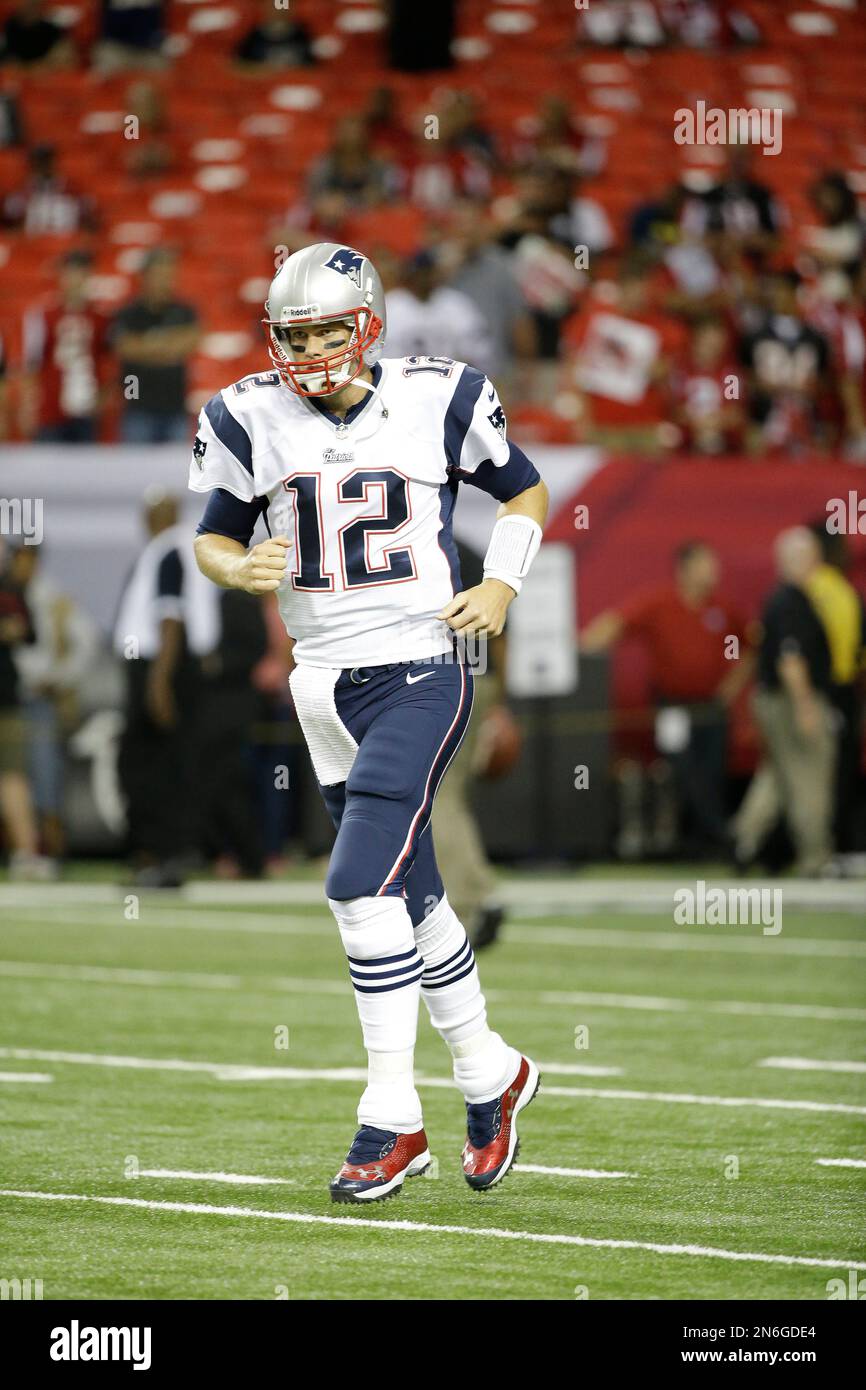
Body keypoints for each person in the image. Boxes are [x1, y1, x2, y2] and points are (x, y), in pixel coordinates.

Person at [190, 241, 548, 1203]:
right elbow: (214, 534)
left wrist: (504, 581)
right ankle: (491, 1073)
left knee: (355, 883)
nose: (305, 349)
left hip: (422, 669)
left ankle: (391, 1114)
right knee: (414, 892)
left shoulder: (440, 395)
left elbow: (522, 487)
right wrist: (237, 567)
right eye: (291, 333)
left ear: (371, 325)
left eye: (324, 329)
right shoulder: (248, 415)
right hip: (320, 684)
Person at [581, 541, 752, 856]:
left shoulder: (721, 608)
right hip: (672, 706)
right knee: (683, 769)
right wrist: (581, 655)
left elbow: (752, 644)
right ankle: (719, 836)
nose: (713, 572)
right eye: (706, 564)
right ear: (685, 569)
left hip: (712, 709)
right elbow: (616, 624)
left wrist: (731, 686)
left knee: (712, 771)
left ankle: (708, 840)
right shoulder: (660, 603)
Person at [113, 489, 216, 887]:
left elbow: (171, 616)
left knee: (151, 767)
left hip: (159, 668)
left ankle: (164, 855)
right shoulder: (170, 549)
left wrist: (158, 681)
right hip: (160, 668)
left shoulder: (169, 550)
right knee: (150, 764)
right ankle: (155, 855)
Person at [733, 528, 835, 876]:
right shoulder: (791, 601)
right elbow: (791, 661)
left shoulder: (783, 598)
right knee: (808, 775)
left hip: (774, 699)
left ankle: (743, 841)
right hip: (791, 700)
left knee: (777, 776)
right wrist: (806, 706)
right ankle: (815, 857)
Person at [0, 538, 53, 879]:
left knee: (12, 774)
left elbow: (26, 631)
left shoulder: (11, 590)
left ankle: (25, 852)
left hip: (5, 696)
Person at [21, 249, 112, 443]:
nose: (75, 280)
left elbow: (110, 363)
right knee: (46, 470)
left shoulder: (101, 317)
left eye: (81, 273)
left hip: (87, 411)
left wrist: (104, 398)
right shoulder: (42, 315)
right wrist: (28, 406)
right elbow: (31, 364)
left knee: (86, 471)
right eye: (70, 273)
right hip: (50, 411)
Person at [111, 249, 198, 443]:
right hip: (136, 407)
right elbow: (126, 349)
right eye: (158, 275)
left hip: (176, 407)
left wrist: (145, 346)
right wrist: (168, 346)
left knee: (178, 472)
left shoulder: (185, 311)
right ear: (144, 277)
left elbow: (188, 344)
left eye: (168, 275)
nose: (164, 280)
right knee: (134, 470)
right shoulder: (128, 312)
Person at [235, 0, 315, 68]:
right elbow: (242, 67)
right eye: (274, 6)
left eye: (284, 6)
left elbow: (312, 66)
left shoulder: (304, 35)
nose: (280, 11)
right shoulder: (253, 36)